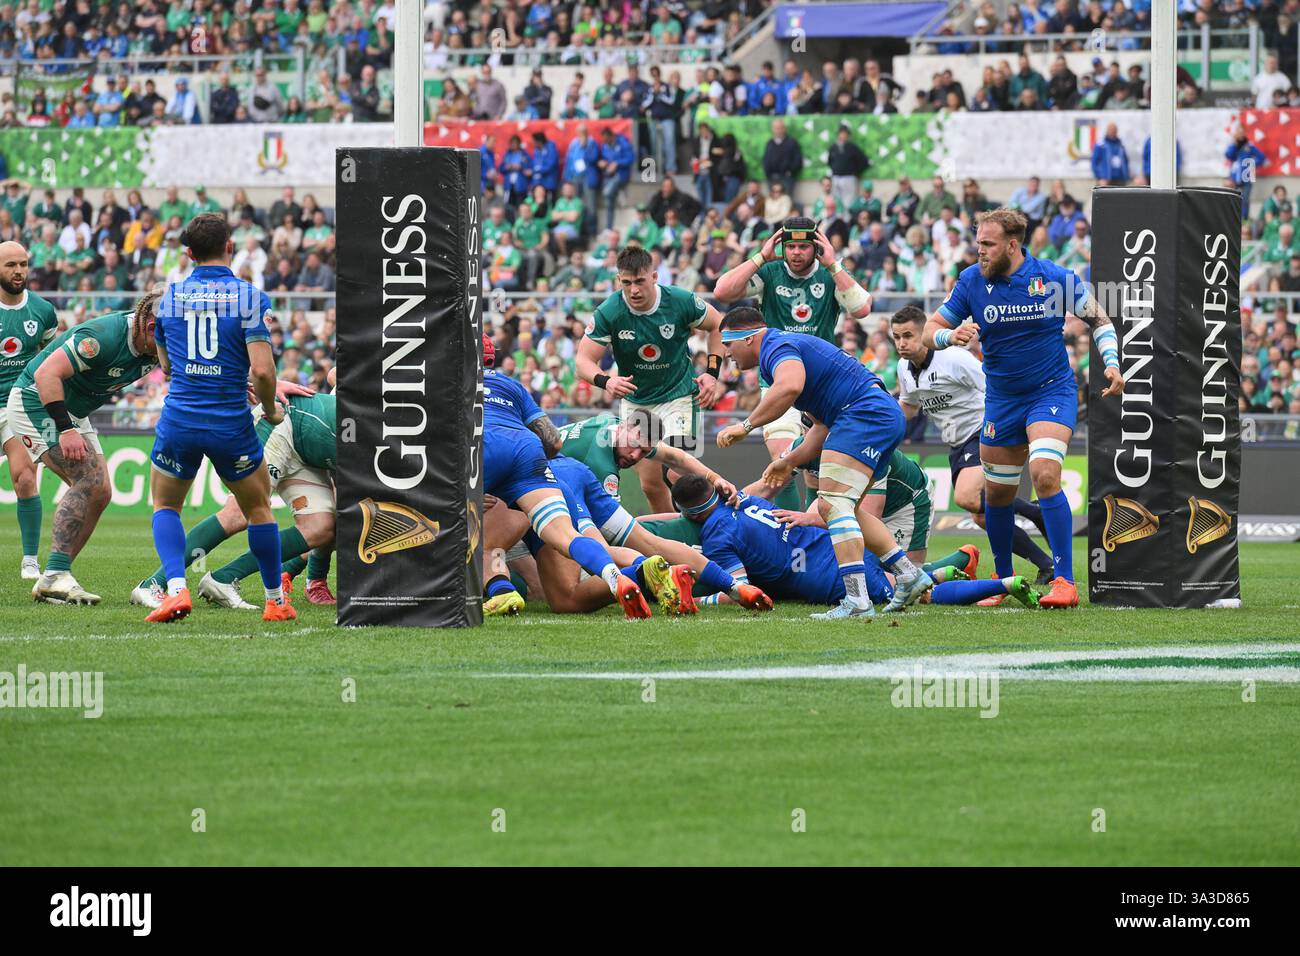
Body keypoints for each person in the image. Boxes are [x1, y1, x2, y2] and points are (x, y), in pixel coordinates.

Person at [922, 208, 1124, 608]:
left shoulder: (1051, 278)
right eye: (978, 242)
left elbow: (1098, 318)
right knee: (995, 494)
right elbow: (929, 331)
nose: (979, 250)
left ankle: (1064, 581)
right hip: (1001, 399)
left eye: (987, 244)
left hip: (1051, 392)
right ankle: (1001, 579)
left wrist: (1113, 363)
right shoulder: (970, 282)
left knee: (1045, 474)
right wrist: (949, 335)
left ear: (1012, 245)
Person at [715, 307, 932, 620]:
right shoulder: (783, 350)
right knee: (848, 508)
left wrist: (745, 425)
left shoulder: (776, 346)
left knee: (831, 504)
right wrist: (788, 462)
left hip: (863, 415)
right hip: (879, 415)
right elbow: (819, 428)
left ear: (748, 339)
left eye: (728, 344)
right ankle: (909, 575)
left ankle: (857, 600)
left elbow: (789, 386)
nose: (726, 353)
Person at [145, 213, 297, 624]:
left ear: (188, 253)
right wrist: (269, 409)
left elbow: (169, 367)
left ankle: (175, 591)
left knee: (165, 506)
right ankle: (274, 601)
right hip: (230, 422)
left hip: (181, 418)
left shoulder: (169, 300)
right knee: (260, 509)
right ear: (230, 245)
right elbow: (263, 372)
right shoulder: (250, 298)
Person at [482, 336, 655, 620]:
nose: (636, 455)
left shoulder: (448, 379)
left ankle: (500, 590)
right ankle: (617, 575)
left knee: (477, 536)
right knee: (567, 537)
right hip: (533, 455)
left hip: (486, 448)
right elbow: (553, 442)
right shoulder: (512, 385)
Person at [712, 217, 874, 511]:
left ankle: (812, 533)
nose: (796, 252)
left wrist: (835, 264)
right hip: (777, 381)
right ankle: (791, 532)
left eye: (803, 246)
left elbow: (862, 309)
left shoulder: (829, 275)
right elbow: (722, 292)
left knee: (816, 473)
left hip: (820, 385)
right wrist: (761, 256)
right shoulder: (770, 272)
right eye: (791, 246)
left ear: (816, 248)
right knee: (781, 461)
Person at [10, 294, 163, 604]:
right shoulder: (102, 337)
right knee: (89, 479)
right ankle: (55, 574)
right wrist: (66, 429)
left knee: (102, 491)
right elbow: (45, 374)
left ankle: (55, 575)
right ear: (150, 327)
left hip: (75, 411)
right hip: (36, 403)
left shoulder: (159, 339)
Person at [890, 305, 1055, 592]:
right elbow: (909, 407)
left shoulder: (953, 358)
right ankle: (1045, 563)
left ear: (924, 333)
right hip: (956, 444)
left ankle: (1032, 512)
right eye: (897, 337)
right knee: (982, 516)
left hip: (984, 431)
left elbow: (993, 386)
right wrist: (883, 416)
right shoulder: (903, 368)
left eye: (908, 335)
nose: (902, 343)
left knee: (967, 498)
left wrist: (1007, 427)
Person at [132, 391, 338, 611]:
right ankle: (153, 583)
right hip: (282, 423)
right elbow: (335, 374)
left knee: (321, 528)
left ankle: (223, 579)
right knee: (238, 514)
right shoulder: (372, 425)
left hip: (310, 456)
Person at [574, 246, 726, 512]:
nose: (633, 290)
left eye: (640, 281)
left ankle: (709, 527)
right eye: (626, 283)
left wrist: (712, 374)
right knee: (650, 485)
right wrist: (605, 381)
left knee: (679, 474)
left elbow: (717, 324)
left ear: (654, 277)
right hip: (637, 403)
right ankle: (672, 544)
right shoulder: (610, 312)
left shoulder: (679, 301)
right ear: (618, 280)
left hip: (678, 397)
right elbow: (582, 361)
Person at [0, 241, 60, 579]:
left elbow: (50, 359)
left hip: (16, 404)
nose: (18, 271)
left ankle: (29, 560)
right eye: (10, 265)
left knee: (24, 477)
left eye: (23, 264)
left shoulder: (42, 311)